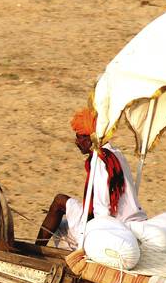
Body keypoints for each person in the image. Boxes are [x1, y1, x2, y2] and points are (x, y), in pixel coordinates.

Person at [37, 107, 147, 249]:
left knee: (59, 201)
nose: (76, 142)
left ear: (91, 137)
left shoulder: (100, 160)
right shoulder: (116, 153)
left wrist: (95, 235)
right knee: (63, 225)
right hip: (128, 218)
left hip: (111, 225)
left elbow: (103, 207)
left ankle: (35, 250)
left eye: (80, 136)